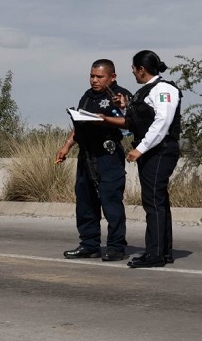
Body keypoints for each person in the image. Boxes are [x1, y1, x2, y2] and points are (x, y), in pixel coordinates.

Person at [55, 59, 132, 261]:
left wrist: (116, 111)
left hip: (108, 155)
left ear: (112, 77)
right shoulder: (87, 97)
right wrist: (66, 146)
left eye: (100, 77)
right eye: (92, 76)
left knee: (111, 202)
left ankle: (116, 246)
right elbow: (79, 124)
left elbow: (128, 120)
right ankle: (89, 244)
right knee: (85, 201)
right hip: (86, 155)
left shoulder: (118, 95)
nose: (95, 80)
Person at [111, 50, 182, 268]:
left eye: (133, 68)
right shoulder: (146, 91)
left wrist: (139, 149)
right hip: (151, 152)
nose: (132, 72)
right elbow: (140, 120)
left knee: (153, 202)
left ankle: (155, 254)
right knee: (156, 201)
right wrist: (124, 107)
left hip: (160, 151)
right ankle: (162, 251)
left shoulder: (164, 89)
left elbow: (162, 123)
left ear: (142, 69)